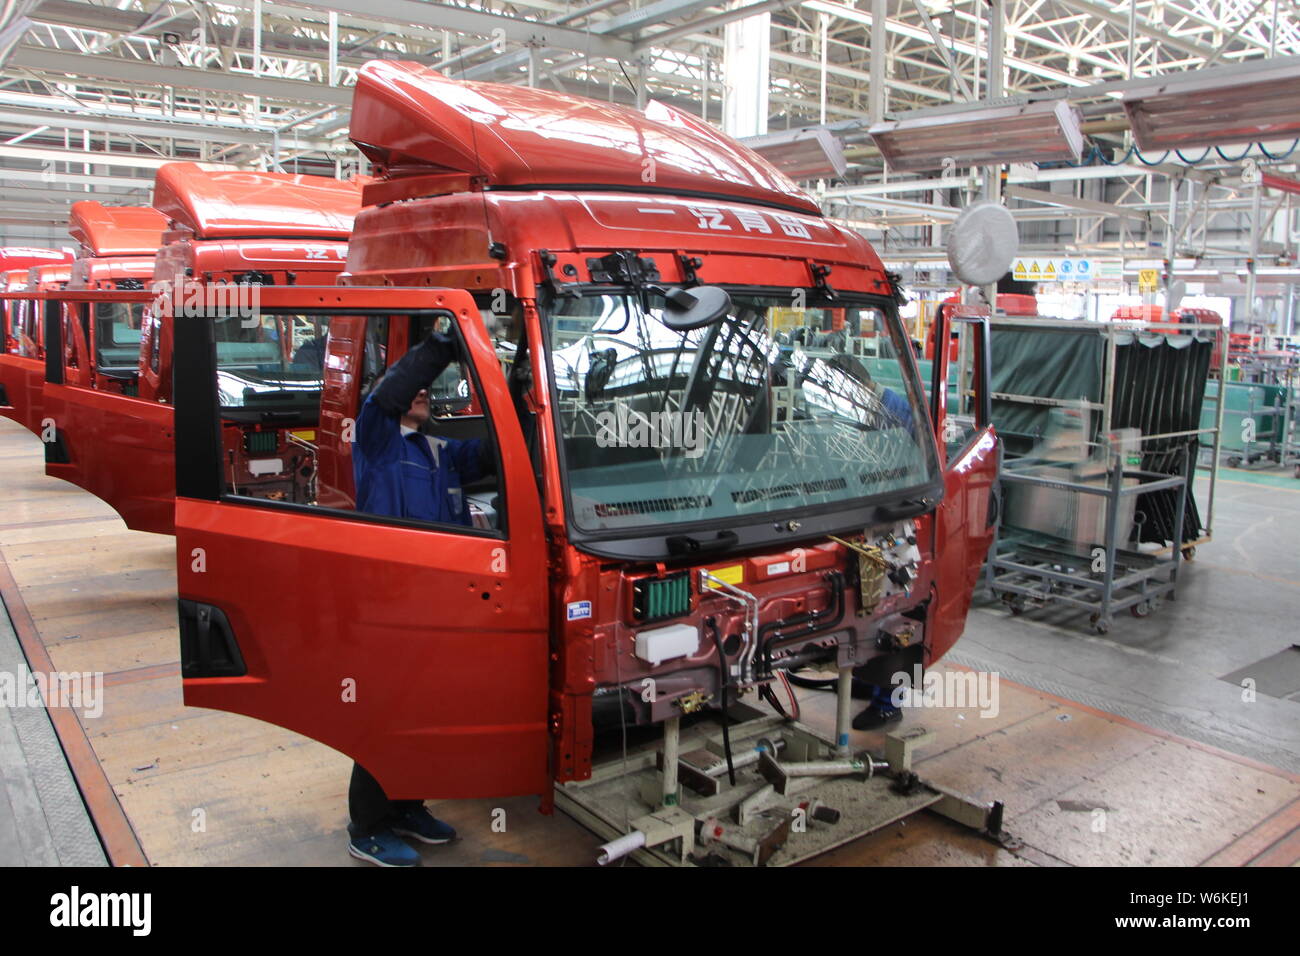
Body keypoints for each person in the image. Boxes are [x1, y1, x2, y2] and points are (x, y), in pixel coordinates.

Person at [345, 329, 491, 867]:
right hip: (390, 604)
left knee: (427, 708)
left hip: (440, 604)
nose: (425, 395)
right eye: (417, 390)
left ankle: (408, 807)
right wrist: (442, 348)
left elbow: (498, 450)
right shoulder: (377, 439)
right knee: (385, 712)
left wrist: (523, 389)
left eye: (430, 391)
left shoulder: (443, 454)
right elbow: (392, 393)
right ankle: (367, 825)